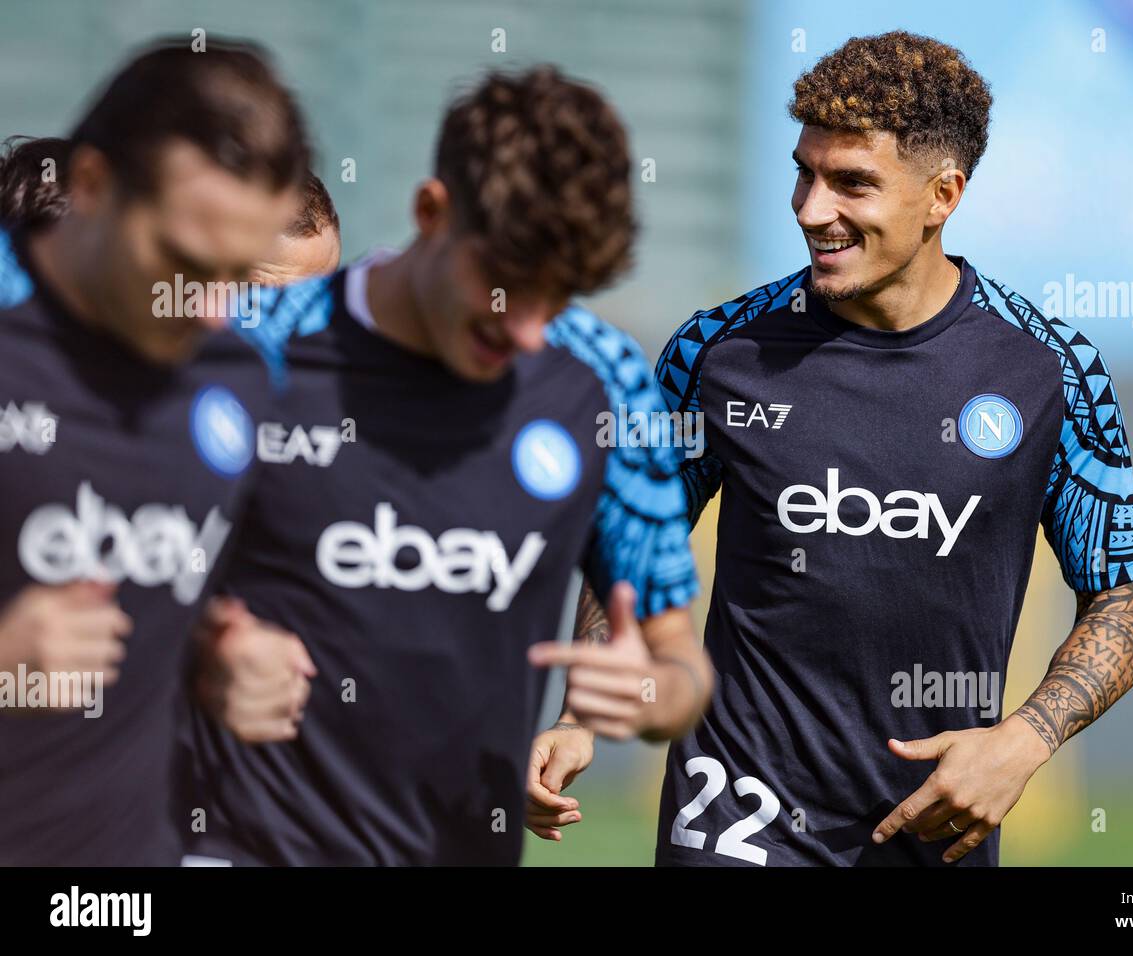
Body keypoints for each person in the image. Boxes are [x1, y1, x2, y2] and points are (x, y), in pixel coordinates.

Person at [640, 31, 1133, 866]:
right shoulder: (718, 349)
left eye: (852, 183)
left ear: (942, 194)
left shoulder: (1051, 370)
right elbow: (629, 532)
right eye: (804, 173)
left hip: (932, 832)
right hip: (734, 822)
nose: (812, 209)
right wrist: (583, 702)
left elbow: (1122, 609)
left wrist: (1024, 739)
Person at [181, 66, 711, 866]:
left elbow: (681, 670)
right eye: (505, 287)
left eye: (559, 297)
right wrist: (201, 658)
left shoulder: (606, 384)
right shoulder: (252, 356)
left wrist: (647, 694)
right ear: (432, 213)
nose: (528, 330)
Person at [0, 37, 313, 865]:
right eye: (182, 262)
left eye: (239, 274)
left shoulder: (234, 379)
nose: (213, 308)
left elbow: (192, 603)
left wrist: (223, 660)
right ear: (94, 185)